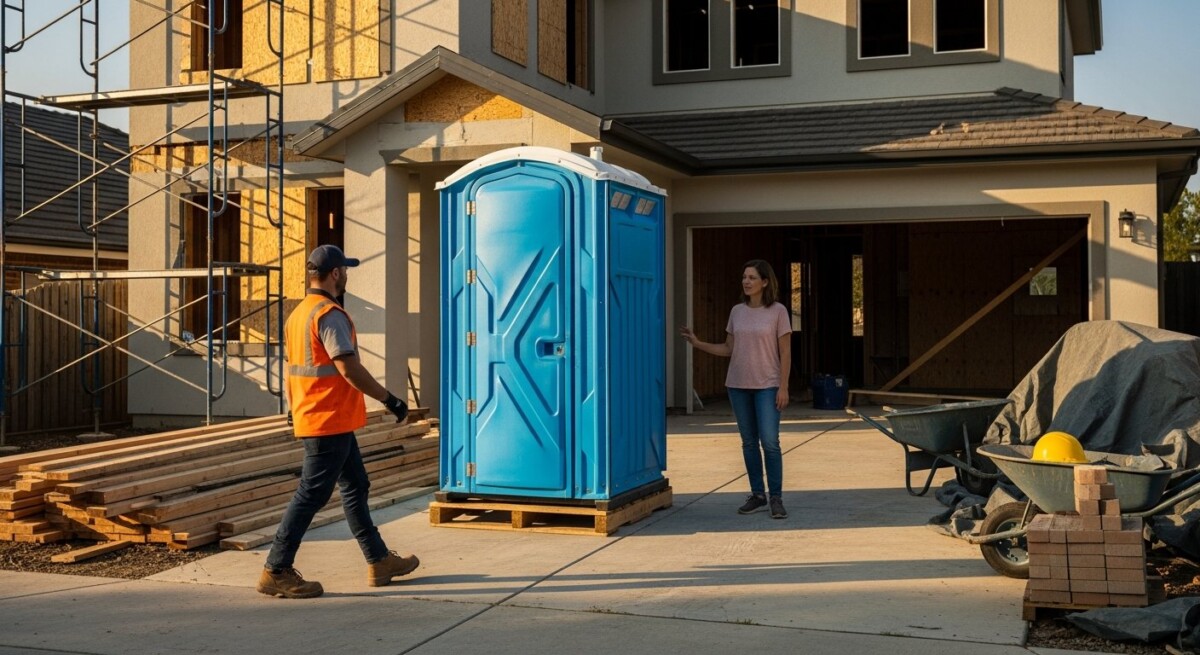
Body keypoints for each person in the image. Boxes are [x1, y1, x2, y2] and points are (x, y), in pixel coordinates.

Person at [256, 244, 420, 599]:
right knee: (311, 494)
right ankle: (276, 569)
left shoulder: (299, 313)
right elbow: (347, 367)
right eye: (344, 269)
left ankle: (378, 560)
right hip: (327, 420)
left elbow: (298, 370)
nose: (346, 275)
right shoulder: (329, 314)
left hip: (324, 416)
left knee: (355, 485)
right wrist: (388, 399)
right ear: (334, 274)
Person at [680, 259, 792, 519]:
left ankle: (776, 497)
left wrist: (783, 386)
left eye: (752, 277)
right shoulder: (736, 311)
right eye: (744, 277)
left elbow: (785, 352)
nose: (746, 281)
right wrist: (698, 343)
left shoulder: (778, 311)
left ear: (765, 282)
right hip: (738, 386)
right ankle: (757, 495)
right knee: (749, 443)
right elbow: (728, 349)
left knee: (770, 443)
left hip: (768, 385)